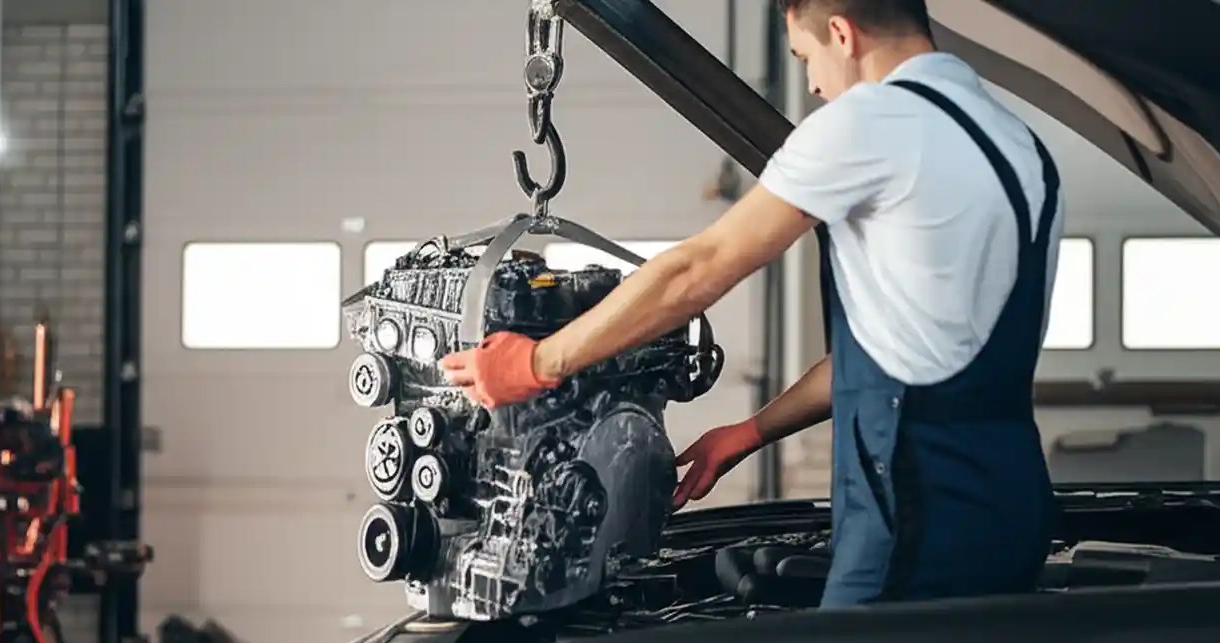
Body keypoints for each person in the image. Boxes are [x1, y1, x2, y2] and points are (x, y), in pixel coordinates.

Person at [440, 0, 1063, 609]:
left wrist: (538, 363)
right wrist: (748, 433)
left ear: (842, 34)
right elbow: (898, 358)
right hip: (1014, 509)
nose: (813, 85)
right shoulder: (1019, 146)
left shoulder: (872, 121)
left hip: (913, 522)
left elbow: (699, 268)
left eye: (805, 56)